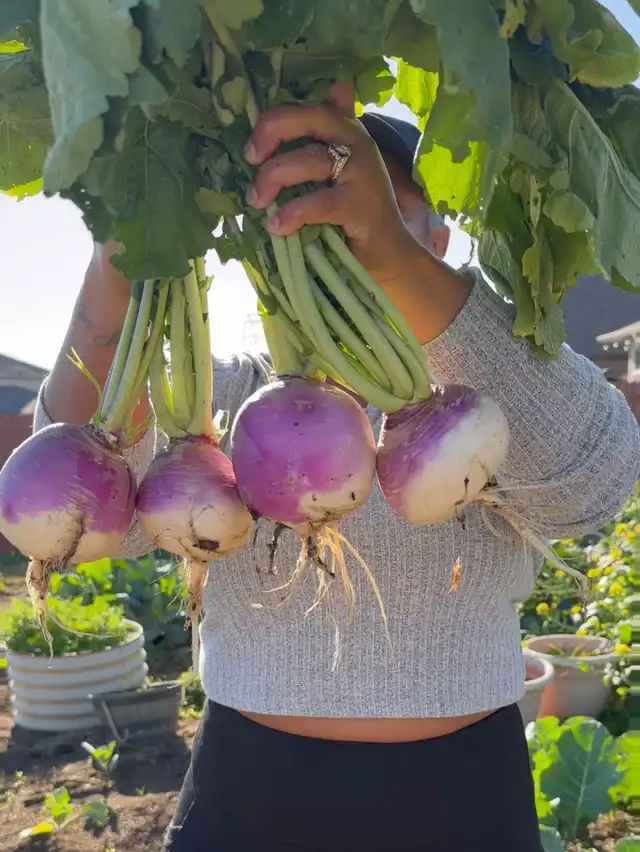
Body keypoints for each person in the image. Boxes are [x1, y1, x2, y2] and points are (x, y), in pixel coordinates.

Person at [35, 88, 640, 852]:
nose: (340, 219)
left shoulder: (494, 373)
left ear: (440, 232)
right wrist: (116, 263)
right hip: (251, 792)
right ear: (268, 237)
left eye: (382, 200)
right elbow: (93, 500)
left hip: (462, 796)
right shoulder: (230, 399)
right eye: (309, 196)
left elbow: (593, 480)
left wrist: (390, 259)